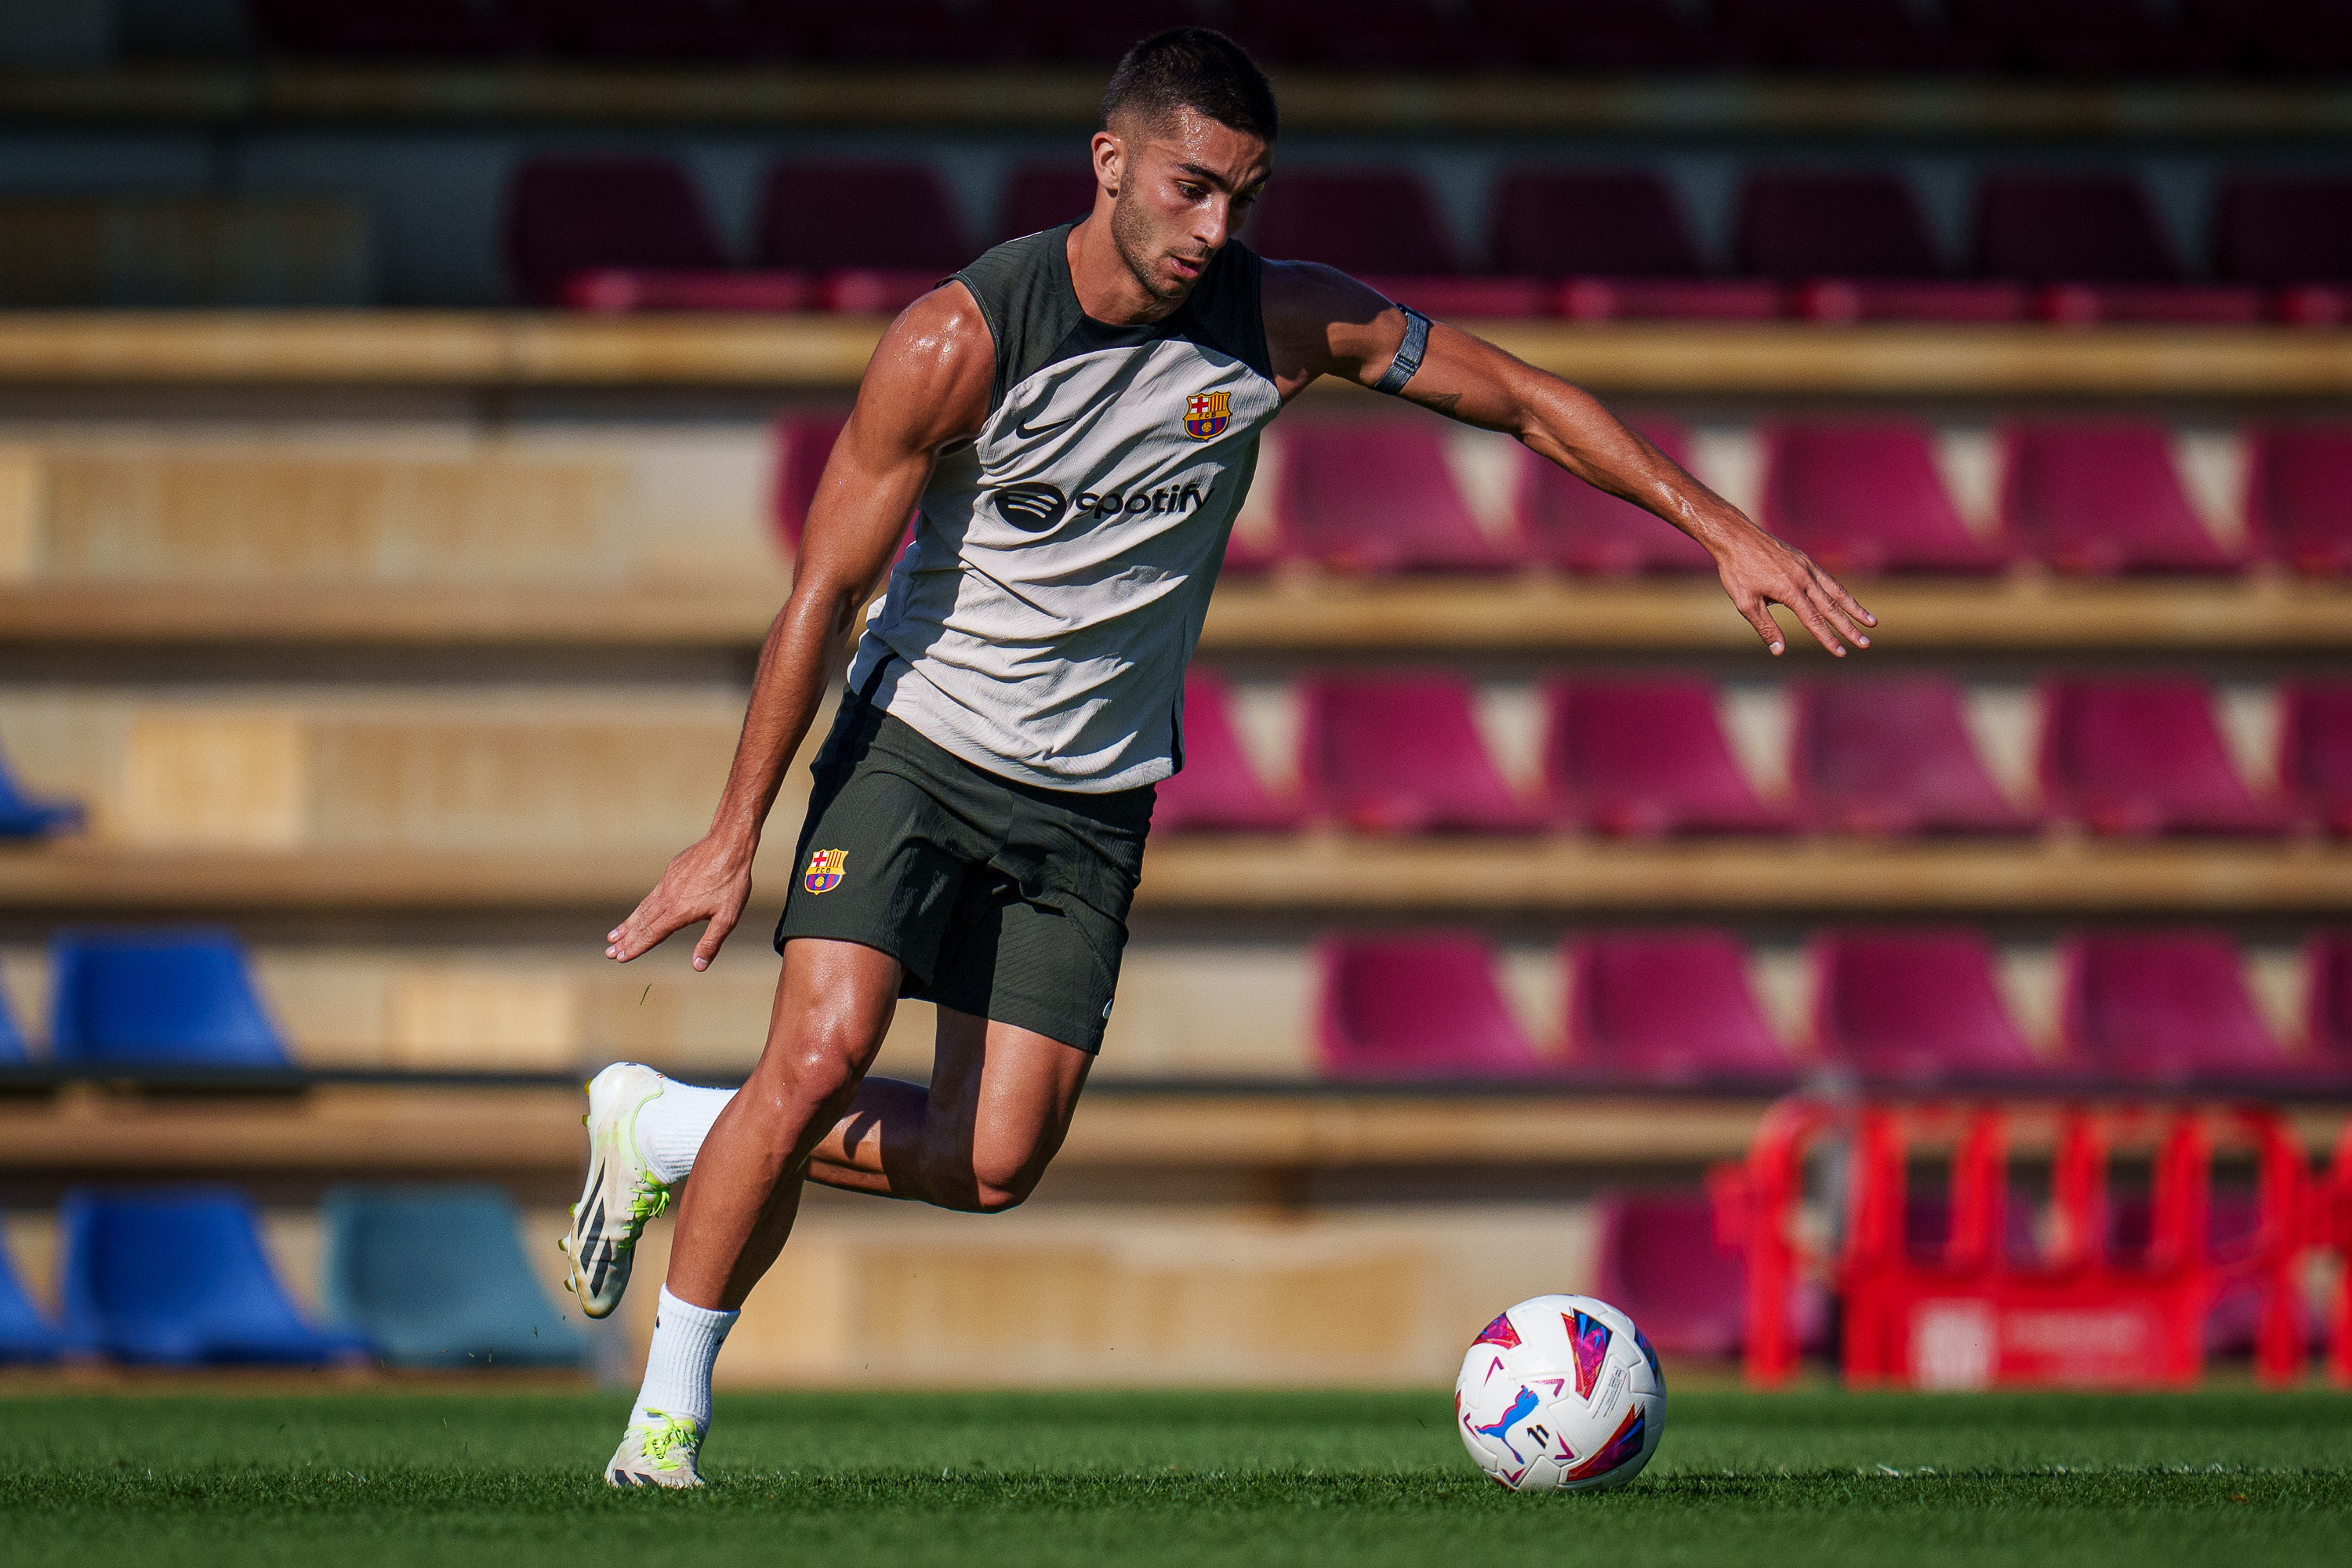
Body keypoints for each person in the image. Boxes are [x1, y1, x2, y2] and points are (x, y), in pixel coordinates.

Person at [563, 27, 1874, 1487]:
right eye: (1191, 190)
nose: (1216, 229)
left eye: (1242, 199)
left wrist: (1722, 529)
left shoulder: (1282, 321)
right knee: (816, 1057)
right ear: (1112, 163)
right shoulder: (961, 339)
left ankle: (667, 1121)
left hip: (1094, 800)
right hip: (917, 747)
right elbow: (822, 591)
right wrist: (734, 827)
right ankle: (663, 1428)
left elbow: (1514, 393)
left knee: (993, 1165)